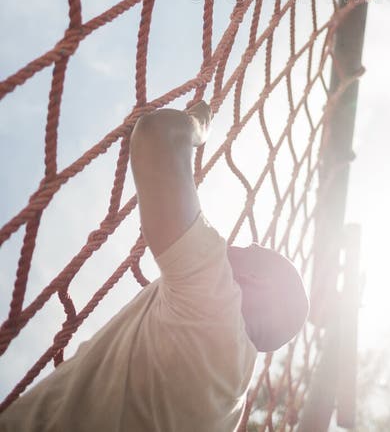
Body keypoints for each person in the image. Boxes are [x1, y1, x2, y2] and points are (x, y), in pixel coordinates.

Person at [0, 102, 309, 432]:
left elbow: (156, 136)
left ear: (255, 280)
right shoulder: (230, 411)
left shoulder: (214, 301)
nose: (233, 246)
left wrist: (198, 124)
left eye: (246, 249)